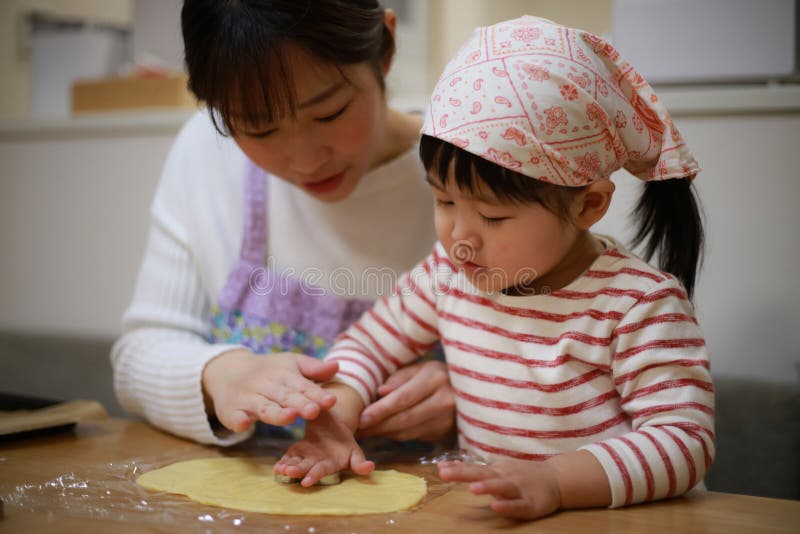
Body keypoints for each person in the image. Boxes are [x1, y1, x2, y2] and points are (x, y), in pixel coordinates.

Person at [274, 15, 714, 520]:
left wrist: (555, 480)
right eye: (443, 202)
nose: (460, 237)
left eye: (492, 216)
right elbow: (369, 344)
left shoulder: (637, 304)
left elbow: (684, 441)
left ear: (587, 205)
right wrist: (336, 419)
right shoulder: (448, 275)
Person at [110, 0, 456, 447]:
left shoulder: (475, 169)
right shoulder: (206, 154)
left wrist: (471, 394)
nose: (306, 160)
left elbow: (568, 360)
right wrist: (221, 373)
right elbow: (138, 358)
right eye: (258, 129)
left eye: (329, 113)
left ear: (384, 47)